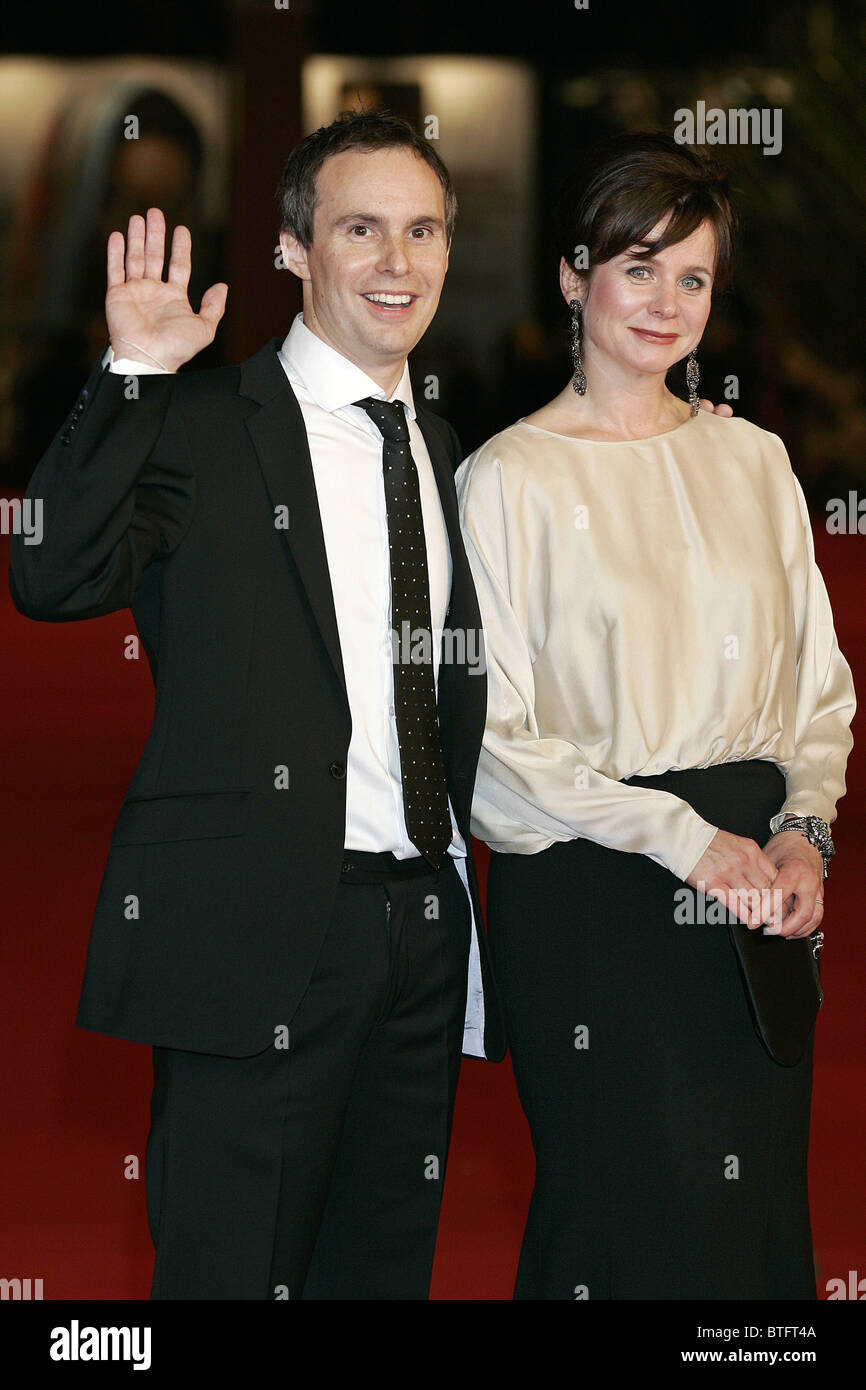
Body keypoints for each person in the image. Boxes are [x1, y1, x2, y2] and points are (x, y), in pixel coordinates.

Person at [9, 109, 509, 1301]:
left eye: (422, 230)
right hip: (259, 939)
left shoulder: (441, 447)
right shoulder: (198, 424)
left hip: (422, 937)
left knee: (378, 1277)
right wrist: (131, 371)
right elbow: (49, 571)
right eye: (359, 229)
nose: (397, 262)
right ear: (293, 249)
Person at [455, 131, 856, 1300]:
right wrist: (683, 840)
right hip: (594, 891)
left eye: (693, 277)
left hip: (758, 895)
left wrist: (804, 829)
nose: (665, 302)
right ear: (574, 277)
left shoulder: (756, 461)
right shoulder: (505, 478)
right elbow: (494, 748)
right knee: (631, 1216)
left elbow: (813, 685)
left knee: (754, 1219)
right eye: (638, 267)